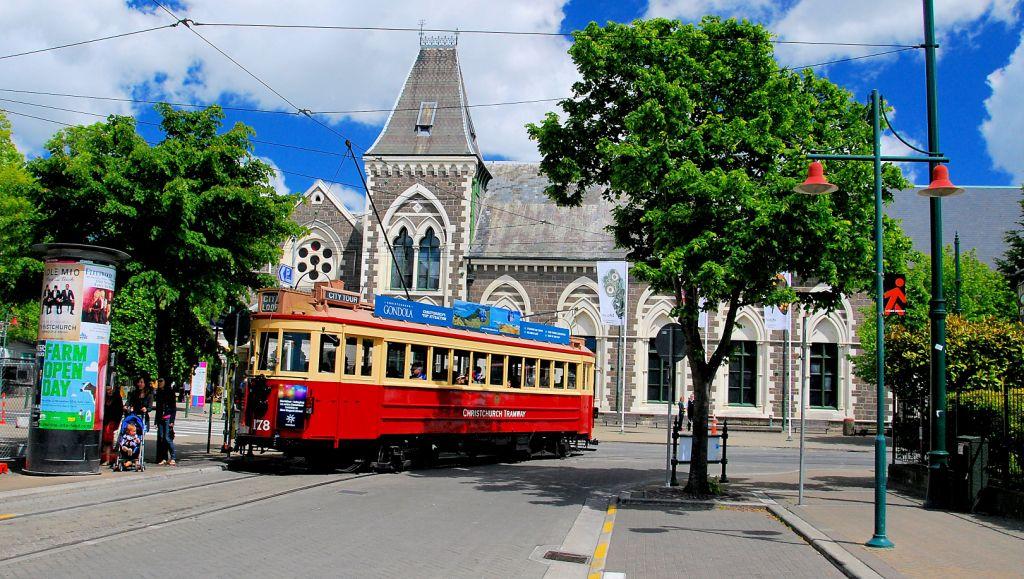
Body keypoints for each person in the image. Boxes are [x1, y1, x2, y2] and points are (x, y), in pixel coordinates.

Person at [154, 378, 177, 466]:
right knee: (161, 437)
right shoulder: (159, 392)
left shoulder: (170, 392)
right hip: (160, 417)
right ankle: (164, 457)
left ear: (165, 382)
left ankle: (173, 457)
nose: (159, 383)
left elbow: (173, 407)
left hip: (167, 417)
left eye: (161, 381)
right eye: (158, 381)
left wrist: (172, 420)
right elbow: (158, 407)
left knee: (167, 438)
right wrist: (156, 420)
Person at [100, 383, 123, 465]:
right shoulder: (104, 397)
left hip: (112, 421)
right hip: (105, 421)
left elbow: (119, 411)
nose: (108, 391)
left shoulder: (117, 397)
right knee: (105, 440)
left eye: (110, 389)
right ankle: (105, 458)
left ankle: (108, 459)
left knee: (108, 440)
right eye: (107, 390)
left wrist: (117, 421)